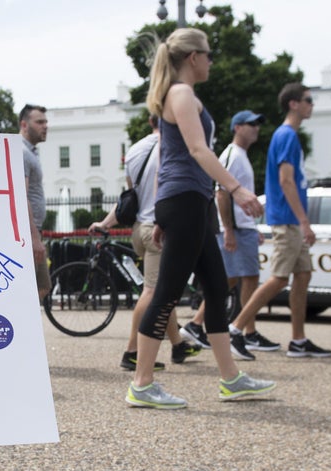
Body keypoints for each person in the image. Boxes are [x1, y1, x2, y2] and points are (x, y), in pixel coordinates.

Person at [125, 27, 275, 409]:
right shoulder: (181, 94)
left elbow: (167, 161)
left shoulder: (178, 95)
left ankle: (231, 379)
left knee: (215, 288)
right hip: (188, 201)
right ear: (193, 57)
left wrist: (161, 213)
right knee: (167, 293)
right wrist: (237, 189)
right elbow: (196, 150)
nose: (211, 61)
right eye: (207, 54)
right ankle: (142, 383)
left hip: (190, 201)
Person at [227, 83, 331, 360]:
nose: (312, 105)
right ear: (293, 104)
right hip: (288, 220)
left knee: (303, 275)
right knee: (278, 278)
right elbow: (286, 181)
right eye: (308, 100)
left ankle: (298, 340)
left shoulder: (287, 136)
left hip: (291, 220)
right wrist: (304, 221)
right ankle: (236, 329)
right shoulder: (286, 136)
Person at [91, 114, 198, 369]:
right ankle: (131, 352)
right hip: (158, 229)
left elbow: (131, 198)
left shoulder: (134, 151)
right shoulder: (174, 146)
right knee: (152, 292)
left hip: (140, 228)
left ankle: (178, 345)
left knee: (163, 289)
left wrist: (105, 224)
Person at [182, 110, 279, 356]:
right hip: (235, 230)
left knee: (233, 280)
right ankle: (245, 332)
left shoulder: (241, 156)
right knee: (248, 278)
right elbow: (222, 193)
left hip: (242, 228)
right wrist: (229, 230)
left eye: (257, 124)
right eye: (251, 124)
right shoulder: (232, 155)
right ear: (237, 127)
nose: (256, 128)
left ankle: (198, 324)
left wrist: (251, 227)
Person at [19, 103, 53, 303]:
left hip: (32, 231)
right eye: (39, 122)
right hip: (27, 233)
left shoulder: (31, 152)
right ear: (24, 124)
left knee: (42, 287)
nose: (45, 126)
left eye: (46, 121)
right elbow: (21, 197)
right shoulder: (22, 153)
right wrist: (33, 237)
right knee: (35, 289)